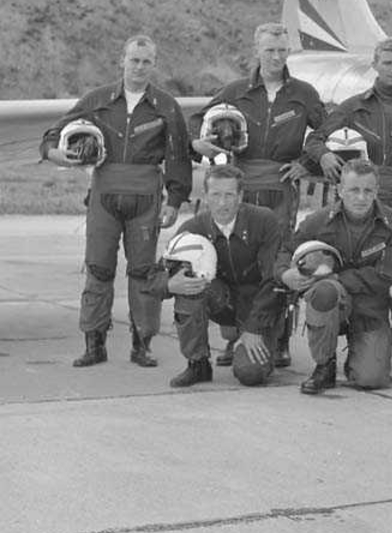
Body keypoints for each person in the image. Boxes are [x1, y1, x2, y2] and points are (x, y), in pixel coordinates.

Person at [41, 35, 192, 369]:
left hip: (146, 197)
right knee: (97, 268)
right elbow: (54, 133)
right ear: (121, 60)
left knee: (143, 272)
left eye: (146, 61)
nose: (139, 67)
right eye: (134, 60)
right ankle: (94, 344)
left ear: (154, 64)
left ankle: (143, 345)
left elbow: (178, 155)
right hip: (104, 193)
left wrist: (175, 200)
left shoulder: (166, 106)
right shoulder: (97, 100)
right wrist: (57, 155)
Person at [191, 22, 325, 368]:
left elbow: (328, 129)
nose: (276, 57)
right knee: (237, 258)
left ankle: (278, 339)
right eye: (270, 50)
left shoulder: (304, 94)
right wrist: (199, 144)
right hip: (242, 183)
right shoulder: (235, 92)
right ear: (257, 51)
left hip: (281, 186)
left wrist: (307, 162)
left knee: (277, 261)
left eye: (282, 50)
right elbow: (196, 121)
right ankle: (234, 337)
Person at [305, 36, 392, 365]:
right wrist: (324, 158)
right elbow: (316, 139)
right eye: (388, 63)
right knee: (354, 264)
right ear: (375, 65)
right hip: (362, 197)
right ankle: (354, 330)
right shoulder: (353, 106)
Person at [278, 159, 392, 395]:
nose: (361, 197)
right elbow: (286, 251)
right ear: (340, 190)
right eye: (354, 190)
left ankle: (359, 355)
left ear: (377, 191)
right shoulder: (320, 220)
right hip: (333, 298)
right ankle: (324, 365)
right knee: (324, 292)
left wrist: (334, 275)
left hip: (371, 305)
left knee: (371, 379)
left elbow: (385, 276)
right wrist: (285, 273)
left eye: (368, 191)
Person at [160, 165, 283, 389]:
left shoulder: (265, 221)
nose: (222, 203)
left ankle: (271, 340)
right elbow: (155, 276)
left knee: (250, 373)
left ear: (241, 196)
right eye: (216, 195)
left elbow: (274, 279)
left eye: (229, 195)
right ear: (205, 196)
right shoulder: (192, 229)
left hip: (259, 306)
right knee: (191, 285)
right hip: (222, 301)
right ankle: (197, 363)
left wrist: (254, 327)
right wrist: (169, 284)